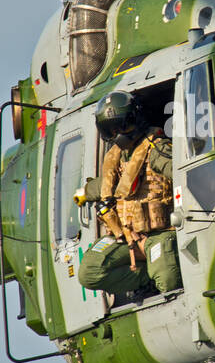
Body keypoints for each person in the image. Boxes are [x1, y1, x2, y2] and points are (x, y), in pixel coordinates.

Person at [76, 91, 181, 302]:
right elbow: (107, 185)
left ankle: (156, 273)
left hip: (158, 233)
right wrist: (84, 193)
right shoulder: (117, 157)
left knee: (168, 281)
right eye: (110, 129)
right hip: (126, 235)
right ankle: (145, 279)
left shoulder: (157, 149)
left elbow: (180, 169)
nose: (117, 134)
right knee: (89, 272)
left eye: (121, 126)